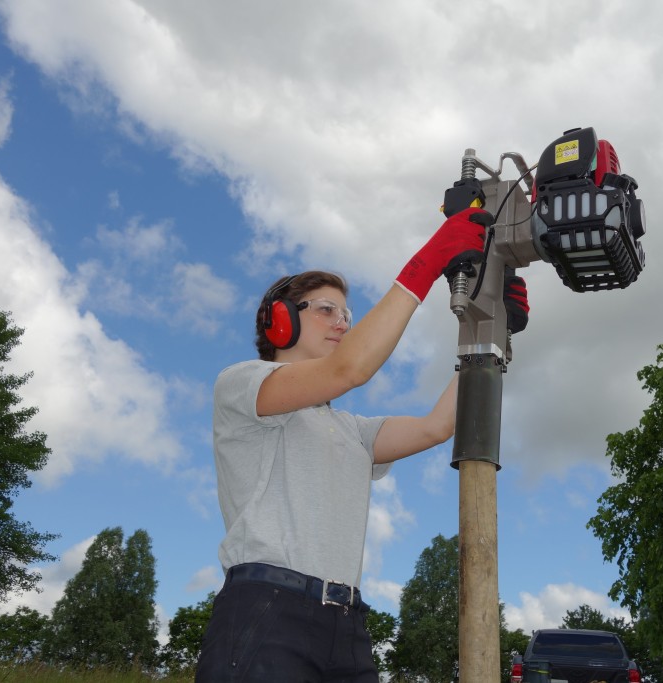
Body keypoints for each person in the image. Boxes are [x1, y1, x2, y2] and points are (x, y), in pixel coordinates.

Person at [195, 207, 528, 682]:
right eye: (325, 310)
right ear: (280, 321)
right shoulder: (242, 385)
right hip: (266, 612)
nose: (341, 323)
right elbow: (349, 370)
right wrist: (428, 261)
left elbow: (437, 426)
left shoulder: (352, 430)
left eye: (346, 314)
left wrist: (496, 332)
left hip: (347, 625)